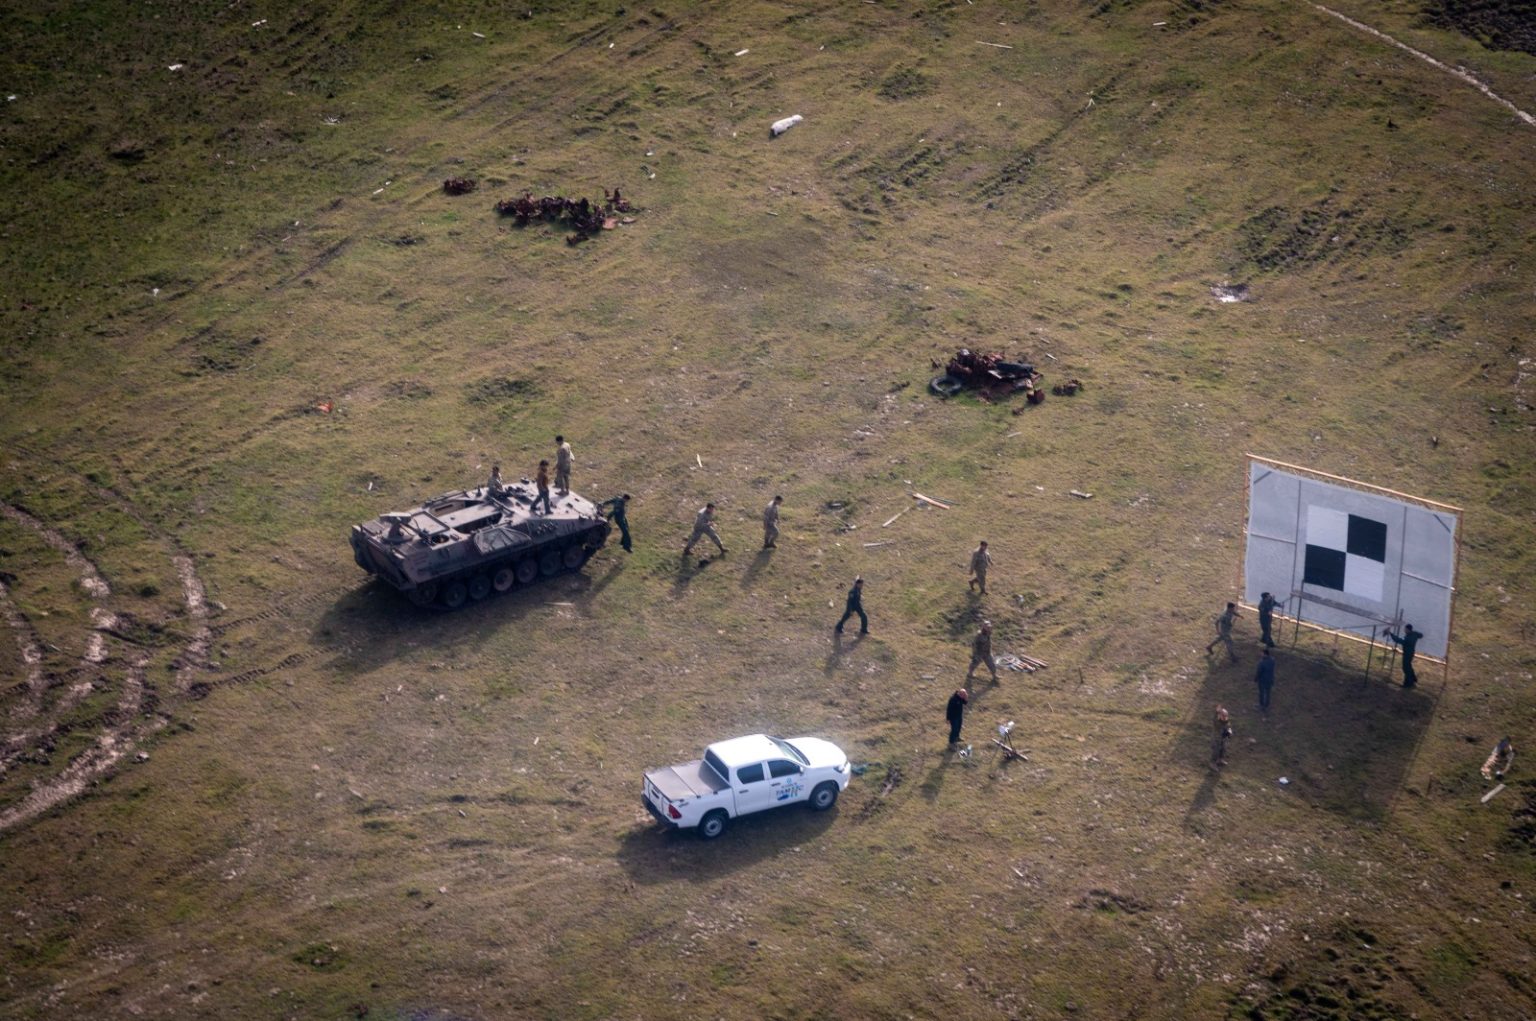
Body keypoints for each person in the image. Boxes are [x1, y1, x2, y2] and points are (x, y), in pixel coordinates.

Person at [1388, 624, 1423, 688]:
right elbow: (1421, 635)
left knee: (1406, 668)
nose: (1404, 630)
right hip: (1411, 652)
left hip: (1407, 654)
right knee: (1409, 666)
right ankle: (1413, 678)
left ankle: (1408, 683)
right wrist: (1416, 633)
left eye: (1405, 629)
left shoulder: (1408, 638)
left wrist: (1391, 634)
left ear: (1408, 629)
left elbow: (1399, 640)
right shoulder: (1414, 634)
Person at [1254, 647, 1275, 711]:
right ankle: (1266, 706)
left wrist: (1256, 679)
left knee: (1262, 693)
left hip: (1262, 680)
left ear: (1265, 654)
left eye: (1262, 653)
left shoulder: (1262, 662)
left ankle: (1261, 705)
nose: (1261, 654)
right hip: (1270, 680)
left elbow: (1259, 672)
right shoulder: (1273, 660)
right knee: (1268, 693)